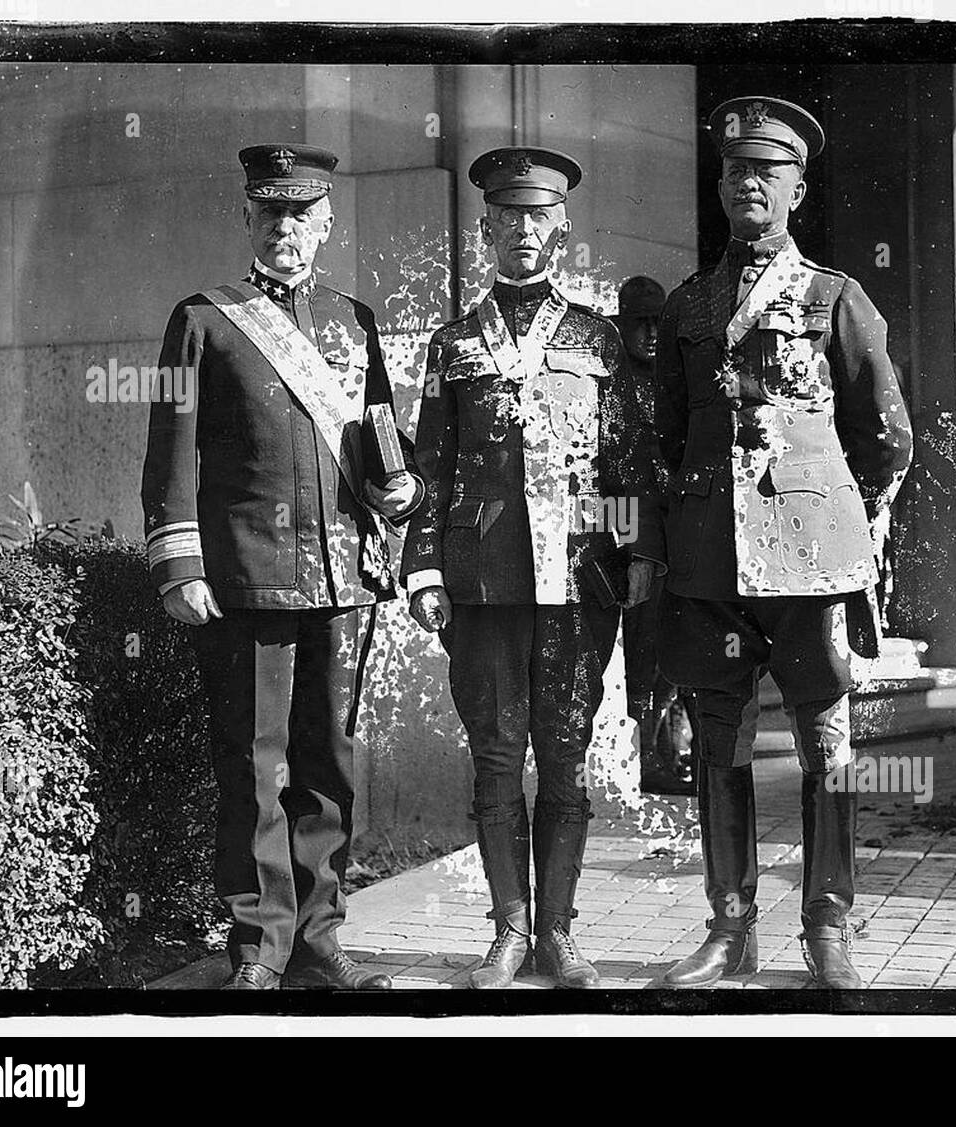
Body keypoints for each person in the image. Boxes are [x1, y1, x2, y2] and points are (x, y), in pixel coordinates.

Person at [141, 143, 424, 990]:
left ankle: (320, 933)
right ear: (248, 219)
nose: (287, 229)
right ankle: (258, 946)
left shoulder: (354, 322)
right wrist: (181, 563)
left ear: (327, 223)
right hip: (245, 575)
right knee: (255, 763)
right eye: (272, 214)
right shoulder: (203, 320)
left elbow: (380, 444)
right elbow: (171, 454)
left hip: (340, 575)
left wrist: (403, 484)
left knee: (328, 763)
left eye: (303, 215)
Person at [654, 97, 913, 989]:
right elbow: (666, 435)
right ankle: (731, 928)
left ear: (797, 188)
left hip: (812, 559)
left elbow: (887, 436)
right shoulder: (689, 305)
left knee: (828, 744)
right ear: (720, 184)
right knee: (718, 742)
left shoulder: (837, 297)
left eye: (767, 171)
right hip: (709, 563)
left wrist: (846, 513)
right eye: (735, 170)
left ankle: (828, 923)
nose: (748, 183)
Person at [401, 147, 665, 989]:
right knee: (493, 755)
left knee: (564, 755)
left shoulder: (597, 340)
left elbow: (631, 463)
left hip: (577, 586)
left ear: (562, 229)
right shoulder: (452, 344)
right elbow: (431, 468)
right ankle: (507, 930)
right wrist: (423, 570)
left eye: (538, 217)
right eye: (507, 217)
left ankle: (560, 933)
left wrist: (644, 554)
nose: (523, 231)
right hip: (483, 586)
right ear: (485, 230)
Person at [613, 276, 695, 796]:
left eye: (655, 323)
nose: (648, 333)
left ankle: (673, 751)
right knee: (642, 647)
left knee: (679, 645)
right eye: (638, 322)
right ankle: (650, 758)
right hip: (629, 533)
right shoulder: (611, 382)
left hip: (678, 531)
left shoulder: (673, 379)